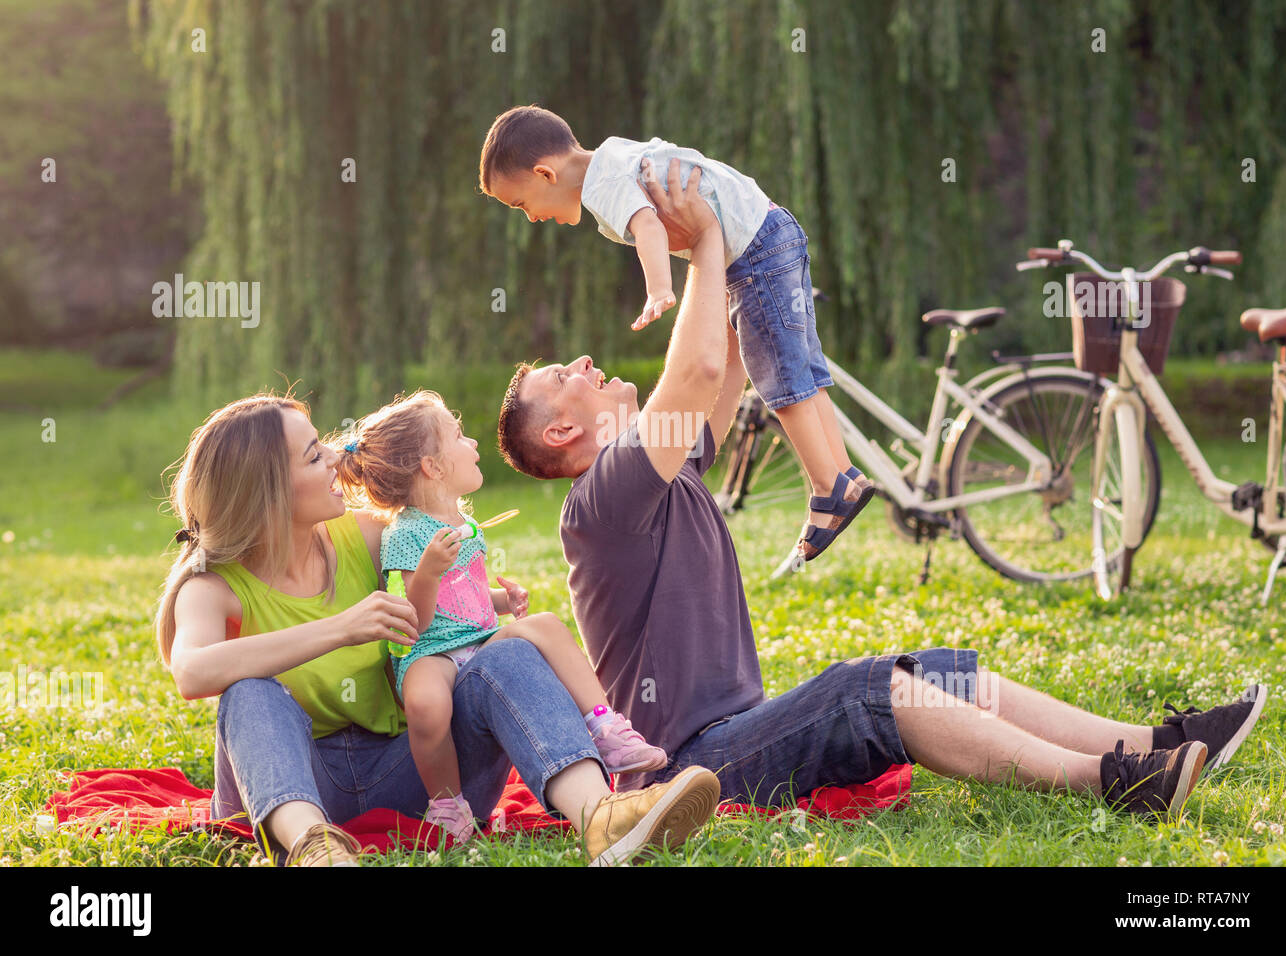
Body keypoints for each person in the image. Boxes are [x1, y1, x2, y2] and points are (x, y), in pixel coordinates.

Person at [496, 158, 1268, 819]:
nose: (587, 365)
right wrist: (699, 243)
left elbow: (726, 356)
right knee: (863, 690)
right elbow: (694, 373)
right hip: (691, 769)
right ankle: (1113, 782)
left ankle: (1153, 745)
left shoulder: (659, 468)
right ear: (563, 433)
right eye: (568, 377)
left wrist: (737, 242)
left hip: (737, 734)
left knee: (938, 675)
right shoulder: (606, 497)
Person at [155, 393, 718, 867]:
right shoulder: (213, 584)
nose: (334, 457)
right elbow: (193, 671)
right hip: (296, 784)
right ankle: (314, 849)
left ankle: (603, 815)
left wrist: (491, 601)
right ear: (268, 490)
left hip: (415, 775)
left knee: (506, 652)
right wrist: (339, 628)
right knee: (250, 692)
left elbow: (443, 605)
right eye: (312, 455)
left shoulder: (369, 537)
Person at [480, 104, 872, 565]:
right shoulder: (615, 157)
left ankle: (827, 487)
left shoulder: (602, 185)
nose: (529, 218)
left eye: (521, 204)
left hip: (751, 250)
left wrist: (659, 289)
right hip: (771, 229)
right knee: (803, 369)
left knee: (783, 381)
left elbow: (647, 224)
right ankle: (843, 474)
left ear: (545, 173)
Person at [330, 389, 667, 843]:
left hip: (477, 638)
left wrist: (503, 601)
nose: (472, 445)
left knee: (546, 624)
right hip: (430, 652)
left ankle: (605, 725)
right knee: (426, 704)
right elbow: (416, 618)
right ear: (432, 466)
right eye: (459, 436)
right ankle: (447, 803)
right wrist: (427, 570)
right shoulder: (406, 534)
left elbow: (464, 595)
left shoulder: (464, 525)